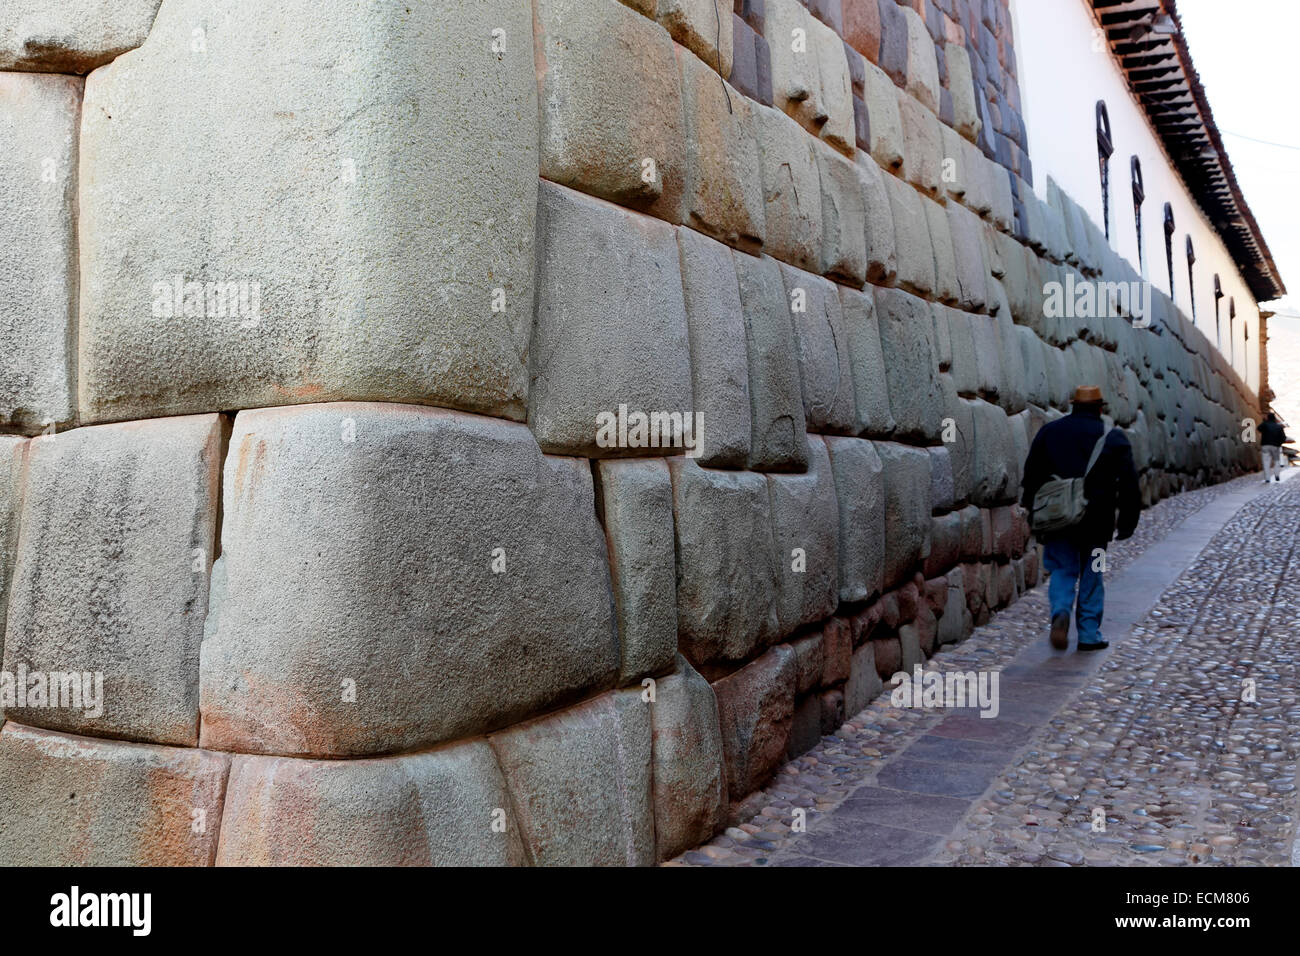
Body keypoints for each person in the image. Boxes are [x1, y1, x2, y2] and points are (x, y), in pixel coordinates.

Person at [1021, 385, 1141, 652]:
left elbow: (1031, 476)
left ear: (1073, 405)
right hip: (1098, 524)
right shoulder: (1114, 437)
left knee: (1062, 569)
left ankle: (1060, 612)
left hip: (1058, 520)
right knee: (1094, 571)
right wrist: (1128, 521)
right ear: (1100, 408)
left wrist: (1031, 510)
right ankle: (1088, 634)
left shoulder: (1049, 433)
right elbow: (1130, 483)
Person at [1259, 412, 1286, 484]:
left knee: (1266, 461)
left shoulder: (1264, 425)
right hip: (1275, 446)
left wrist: (1264, 421)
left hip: (1265, 445)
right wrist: (1279, 444)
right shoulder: (1279, 427)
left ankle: (1267, 478)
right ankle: (1277, 475)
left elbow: (1259, 428)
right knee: (1276, 461)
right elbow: (1283, 438)